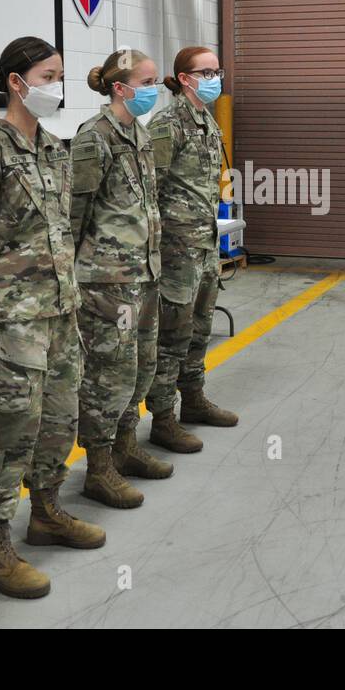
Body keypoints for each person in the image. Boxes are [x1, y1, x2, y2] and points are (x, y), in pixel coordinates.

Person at [0, 36, 105, 601]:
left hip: (60, 316)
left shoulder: (57, 152)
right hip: (9, 326)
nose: (57, 86)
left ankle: (45, 514)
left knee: (59, 422)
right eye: (48, 75)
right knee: (4, 433)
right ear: (17, 82)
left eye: (60, 75)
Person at [70, 49, 171, 508]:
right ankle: (99, 467)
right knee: (107, 376)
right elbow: (75, 214)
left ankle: (127, 448)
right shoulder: (94, 138)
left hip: (144, 272)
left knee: (140, 367)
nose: (154, 90)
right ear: (119, 88)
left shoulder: (141, 134)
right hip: (107, 281)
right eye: (146, 82)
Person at [143, 47, 237, 456]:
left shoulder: (206, 121)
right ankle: (163, 419)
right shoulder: (168, 123)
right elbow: (152, 187)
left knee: (200, 326)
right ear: (184, 78)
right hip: (177, 248)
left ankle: (194, 399)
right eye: (206, 71)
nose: (215, 77)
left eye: (218, 70)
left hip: (204, 244)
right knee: (173, 334)